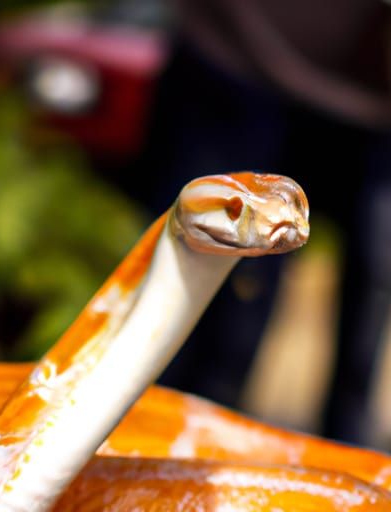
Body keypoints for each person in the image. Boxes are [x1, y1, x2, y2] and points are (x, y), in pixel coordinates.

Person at [129, 0, 391, 445]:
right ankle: (149, 454)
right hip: (235, 60)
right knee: (211, 319)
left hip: (374, 102)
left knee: (372, 299)